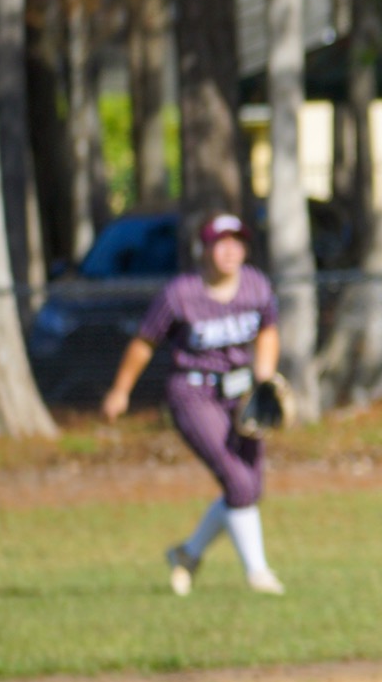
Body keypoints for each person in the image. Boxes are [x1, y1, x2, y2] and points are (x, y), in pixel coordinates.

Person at [101, 212, 285, 596]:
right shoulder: (181, 293)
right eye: (221, 243)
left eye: (237, 242)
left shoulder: (255, 285)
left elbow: (268, 329)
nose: (230, 250)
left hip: (241, 393)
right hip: (193, 392)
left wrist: (265, 376)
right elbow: (145, 341)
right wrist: (120, 390)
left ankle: (187, 554)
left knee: (249, 488)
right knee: (238, 482)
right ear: (204, 248)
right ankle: (258, 573)